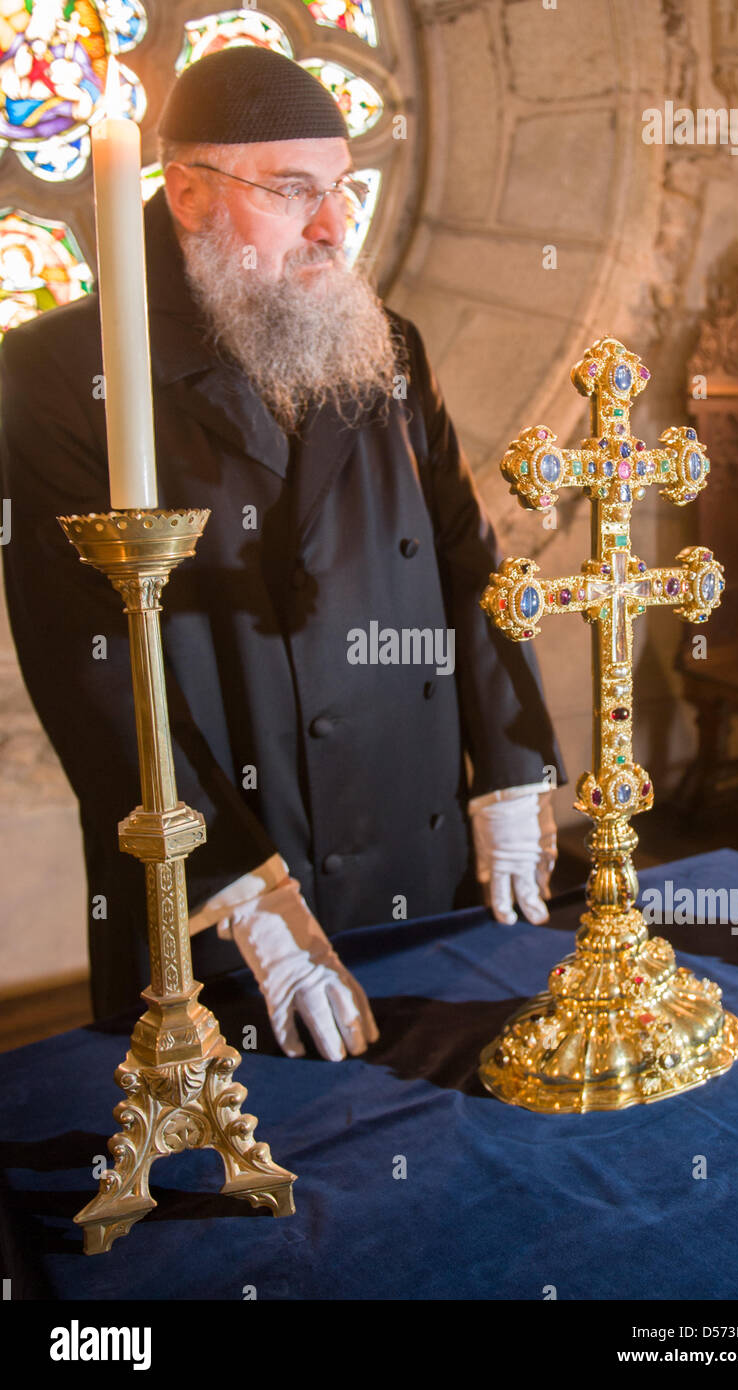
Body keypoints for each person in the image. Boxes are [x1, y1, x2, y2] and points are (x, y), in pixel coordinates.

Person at [0, 46, 565, 1057]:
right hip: (226, 876)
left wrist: (514, 767)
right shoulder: (48, 376)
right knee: (250, 1176)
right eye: (293, 189)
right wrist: (237, 893)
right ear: (186, 192)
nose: (332, 224)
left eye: (338, 188)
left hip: (414, 837)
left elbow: (467, 556)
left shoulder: (383, 342)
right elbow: (81, 664)